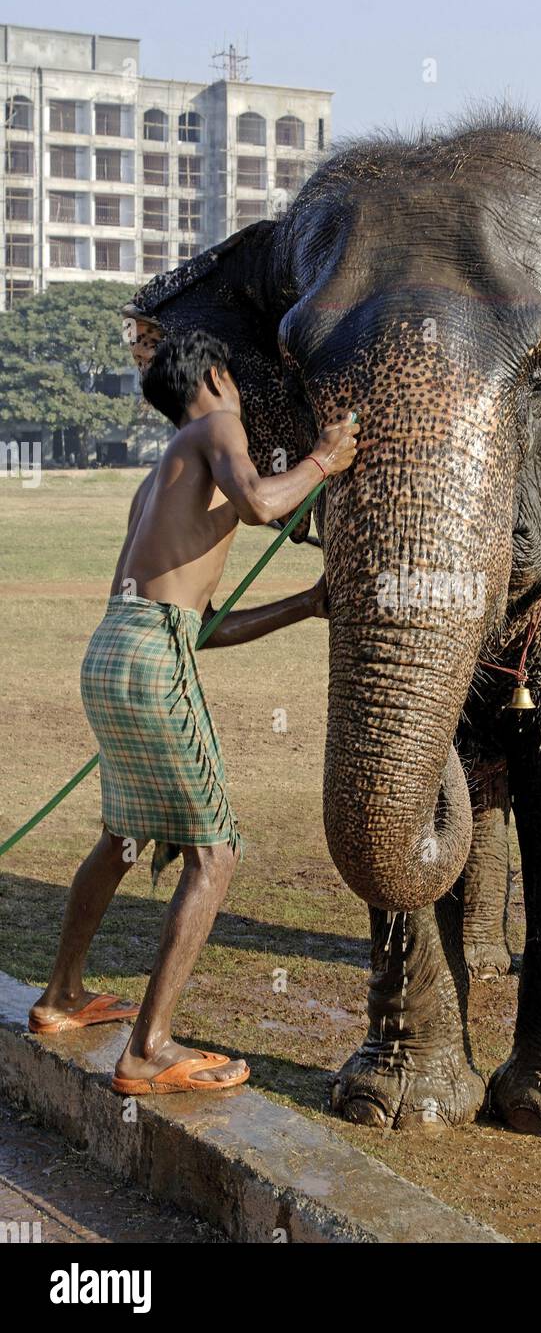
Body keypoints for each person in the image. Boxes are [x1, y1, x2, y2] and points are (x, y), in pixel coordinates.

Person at [29, 329, 359, 1095]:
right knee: (215, 854)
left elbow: (200, 625)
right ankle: (148, 1050)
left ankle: (61, 998)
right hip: (151, 658)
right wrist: (323, 460)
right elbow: (258, 503)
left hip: (116, 647)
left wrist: (305, 605)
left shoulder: (159, 472)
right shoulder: (216, 425)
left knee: (121, 838)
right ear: (215, 374)